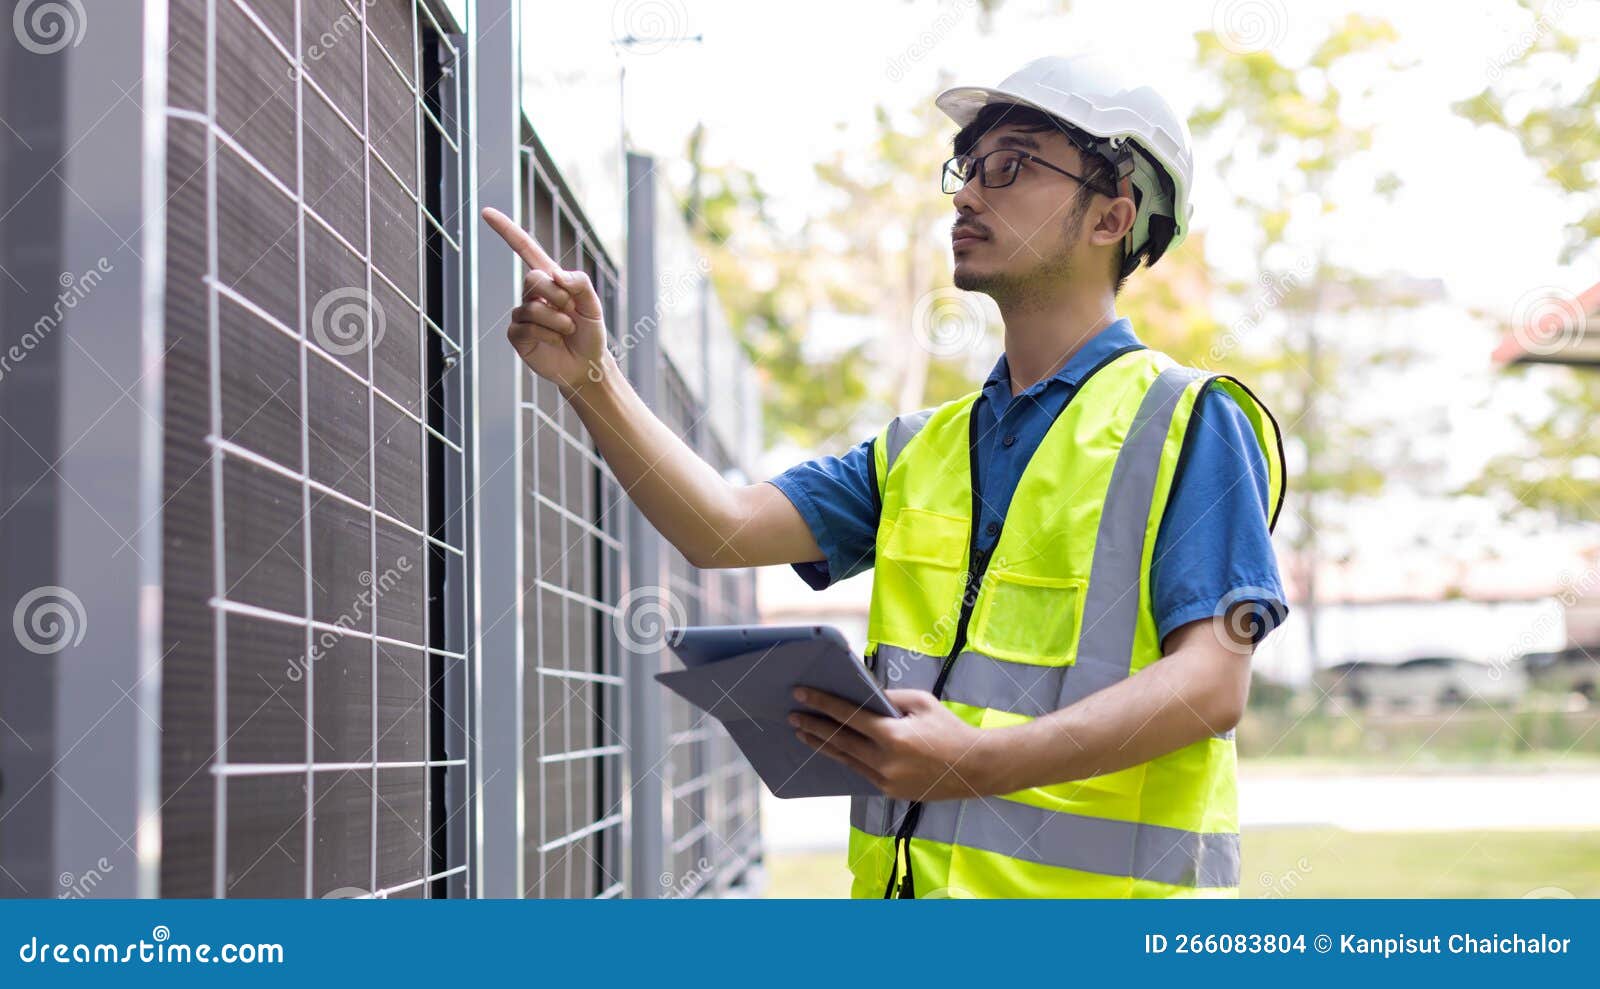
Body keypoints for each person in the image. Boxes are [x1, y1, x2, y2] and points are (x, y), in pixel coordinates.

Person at [482, 53, 1288, 899]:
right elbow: (721, 526)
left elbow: (1211, 681)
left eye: (1010, 166)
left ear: (1111, 217)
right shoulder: (920, 448)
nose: (967, 195)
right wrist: (591, 377)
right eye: (966, 170)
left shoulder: (1189, 421)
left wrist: (978, 761)